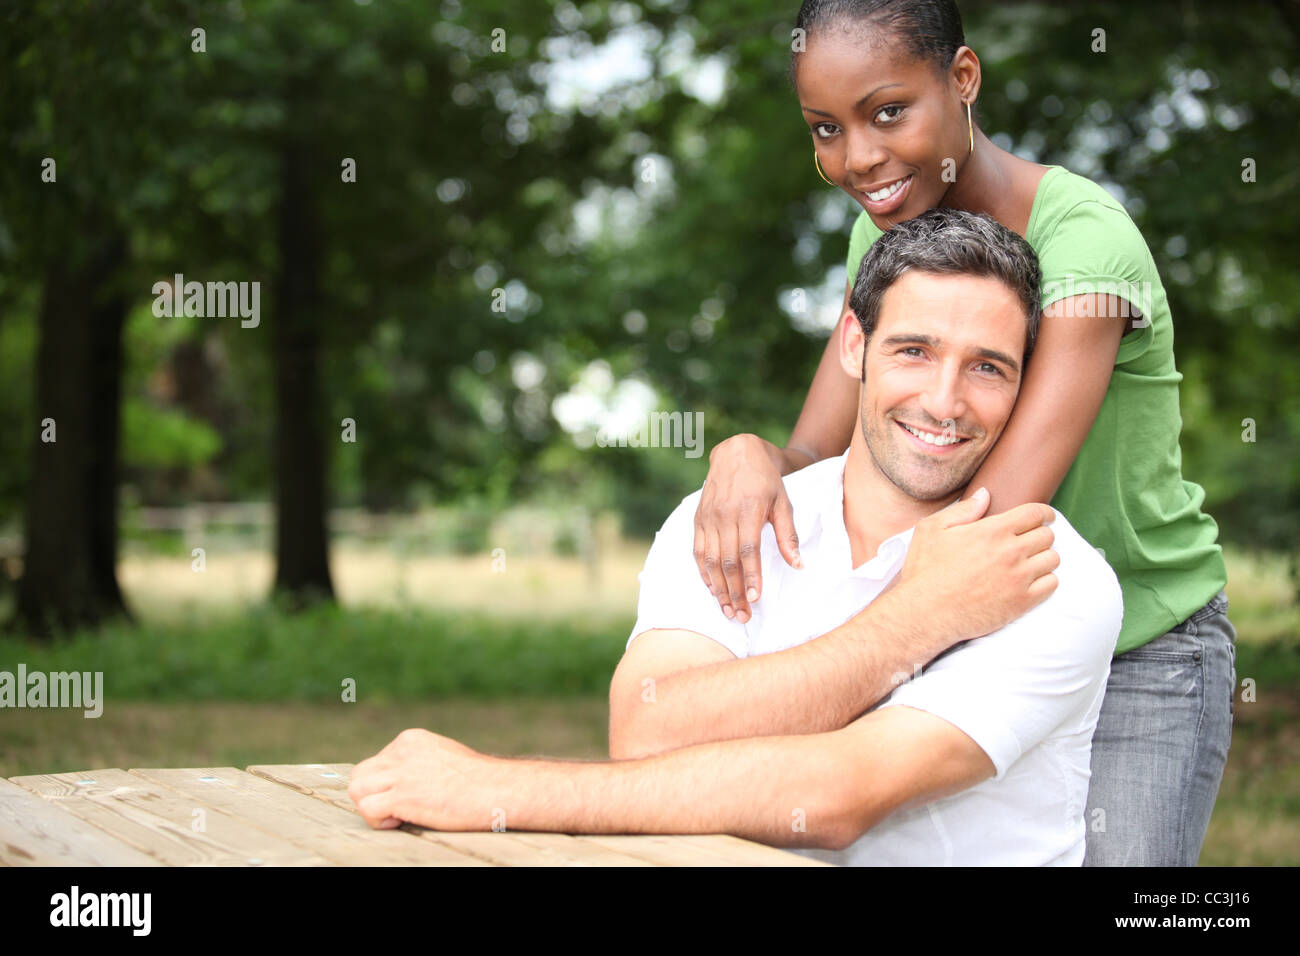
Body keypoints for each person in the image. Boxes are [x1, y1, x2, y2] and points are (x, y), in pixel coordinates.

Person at [351, 209, 1121, 865]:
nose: (945, 401)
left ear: (1025, 382)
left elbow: (836, 794)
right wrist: (918, 619)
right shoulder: (727, 518)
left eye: (988, 367)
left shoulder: (1052, 580)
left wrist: (492, 790)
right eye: (913, 351)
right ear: (854, 345)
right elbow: (649, 732)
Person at [692, 0, 1235, 866]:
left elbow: (990, 515)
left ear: (964, 79)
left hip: (1140, 647)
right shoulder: (883, 237)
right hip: (972, 625)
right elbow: (818, 455)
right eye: (825, 128)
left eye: (888, 112)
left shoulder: (1085, 247)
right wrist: (742, 455)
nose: (858, 159)